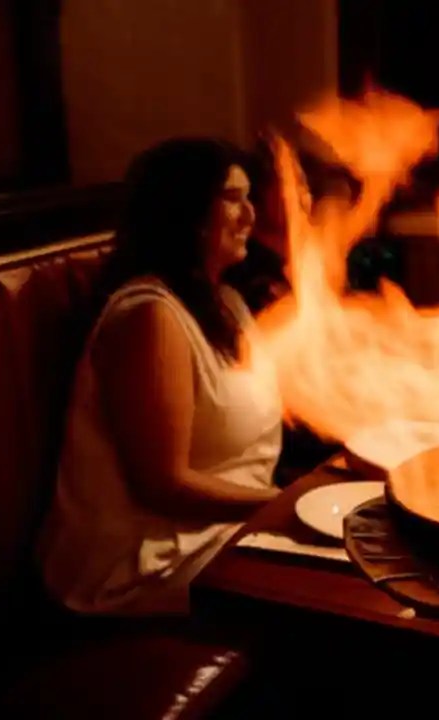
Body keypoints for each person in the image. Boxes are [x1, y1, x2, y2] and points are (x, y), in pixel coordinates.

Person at [37, 137, 284, 617]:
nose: (250, 215)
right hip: (147, 561)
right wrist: (285, 504)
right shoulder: (149, 316)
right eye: (232, 199)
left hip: (223, 531)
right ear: (186, 211)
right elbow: (163, 485)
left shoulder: (226, 303)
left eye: (249, 197)